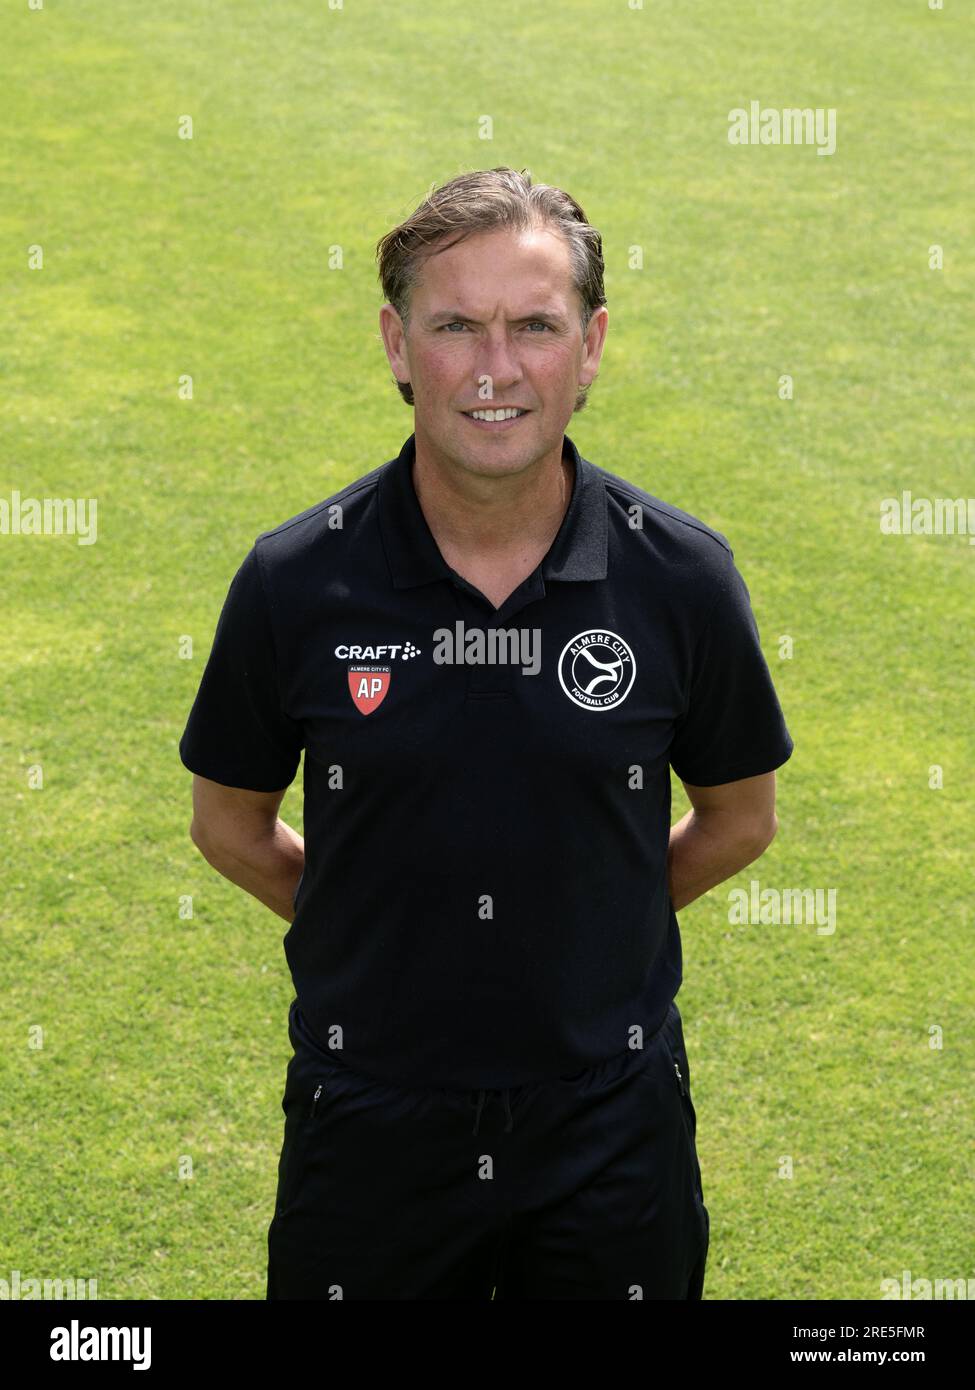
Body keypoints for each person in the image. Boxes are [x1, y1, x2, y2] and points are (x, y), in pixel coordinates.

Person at [178, 166, 794, 1300]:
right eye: (455, 324)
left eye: (535, 326)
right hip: (368, 1119)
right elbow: (228, 824)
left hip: (611, 1125)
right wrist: (379, 920)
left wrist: (590, 917)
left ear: (593, 344)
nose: (496, 368)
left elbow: (740, 818)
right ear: (397, 343)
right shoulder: (296, 579)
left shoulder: (683, 578)